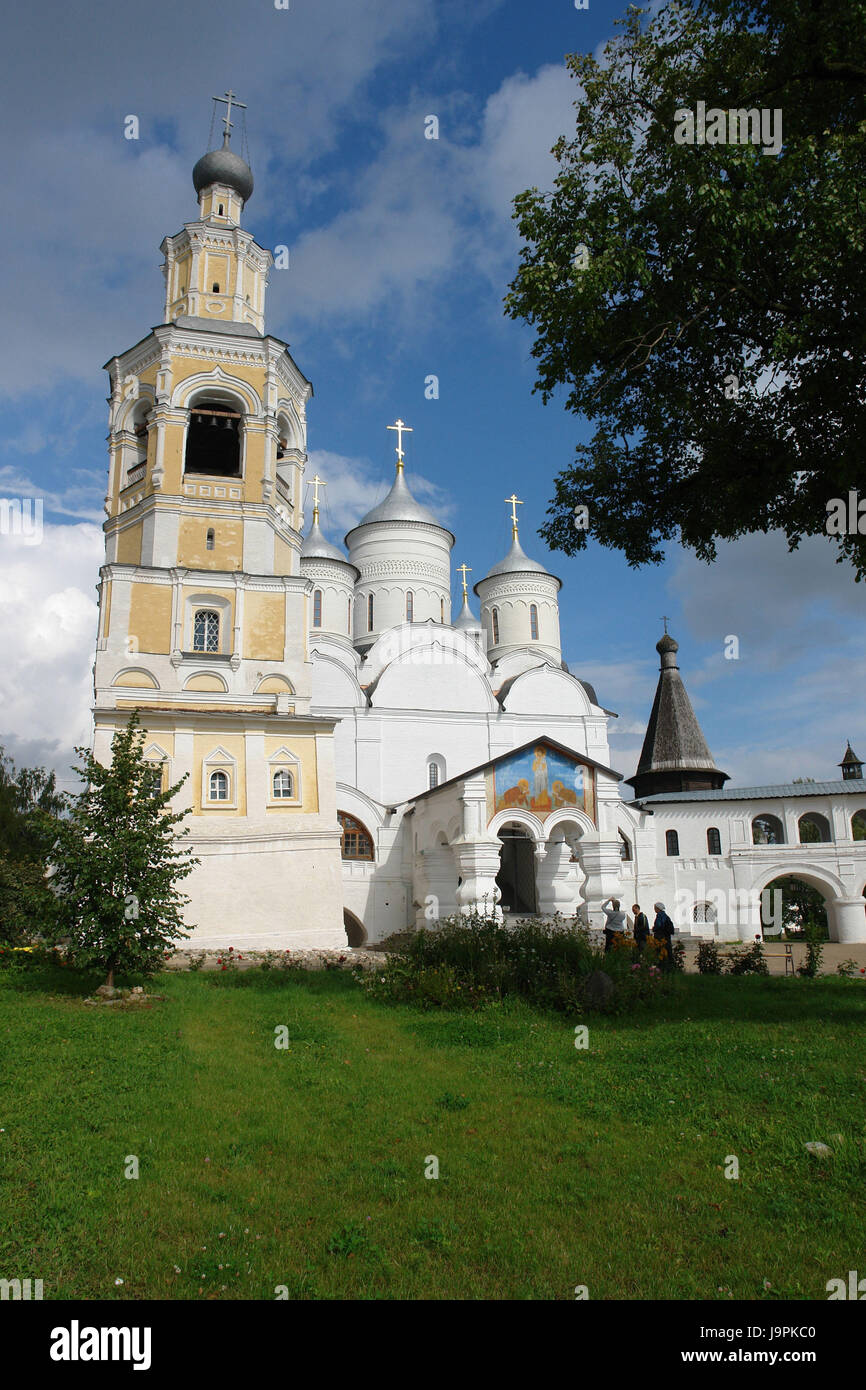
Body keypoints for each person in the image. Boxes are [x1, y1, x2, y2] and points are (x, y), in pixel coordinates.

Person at [653, 901, 675, 969]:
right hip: (666, 937)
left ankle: (662, 967)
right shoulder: (665, 915)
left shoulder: (660, 915)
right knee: (668, 952)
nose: (654, 909)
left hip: (661, 937)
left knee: (661, 952)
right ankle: (670, 966)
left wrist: (654, 928)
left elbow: (658, 925)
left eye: (655, 908)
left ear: (658, 908)